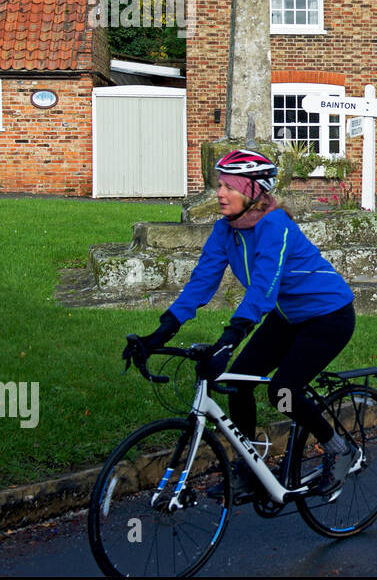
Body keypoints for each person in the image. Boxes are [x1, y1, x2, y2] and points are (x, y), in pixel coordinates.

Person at [135, 149, 358, 498]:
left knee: (282, 391)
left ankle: (339, 449)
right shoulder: (226, 230)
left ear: (254, 191)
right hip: (287, 317)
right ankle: (251, 469)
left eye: (229, 186)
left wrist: (231, 336)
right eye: (219, 184)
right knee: (238, 383)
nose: (219, 193)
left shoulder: (275, 225)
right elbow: (201, 282)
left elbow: (264, 287)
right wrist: (162, 330)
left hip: (329, 316)